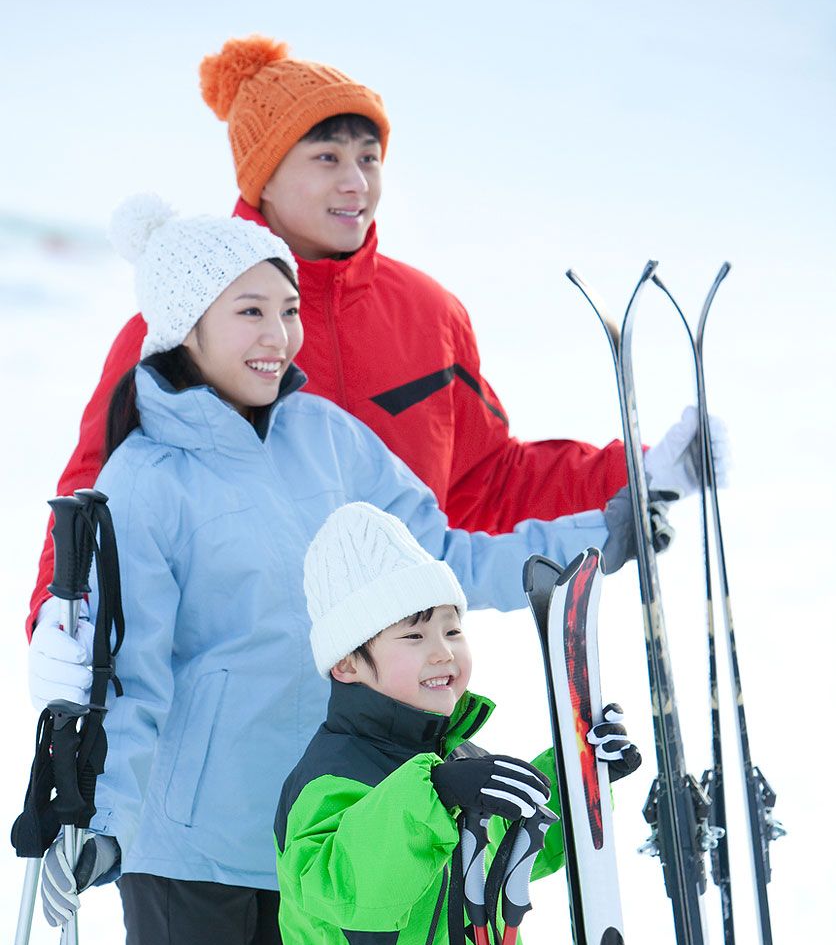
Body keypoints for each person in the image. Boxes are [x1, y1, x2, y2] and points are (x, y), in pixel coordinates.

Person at [31, 196, 655, 945]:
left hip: (336, 820)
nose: (280, 334)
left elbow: (440, 554)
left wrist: (592, 540)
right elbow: (136, 678)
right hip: (195, 847)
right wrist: (104, 821)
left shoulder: (327, 436)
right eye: (250, 311)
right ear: (183, 325)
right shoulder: (145, 478)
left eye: (288, 309)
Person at [26, 34, 722, 639]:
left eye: (370, 157)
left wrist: (642, 469)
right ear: (264, 175)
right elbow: (94, 493)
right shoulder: (184, 320)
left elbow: (484, 481)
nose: (356, 181)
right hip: (227, 686)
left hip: (397, 683)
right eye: (326, 158)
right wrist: (60, 631)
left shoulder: (428, 311)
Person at [275, 501, 641, 945]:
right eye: (413, 637)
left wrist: (576, 776)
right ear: (346, 664)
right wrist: (434, 794)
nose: (443, 652)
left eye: (452, 629)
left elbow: (513, 852)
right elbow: (348, 887)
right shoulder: (329, 778)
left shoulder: (454, 762)